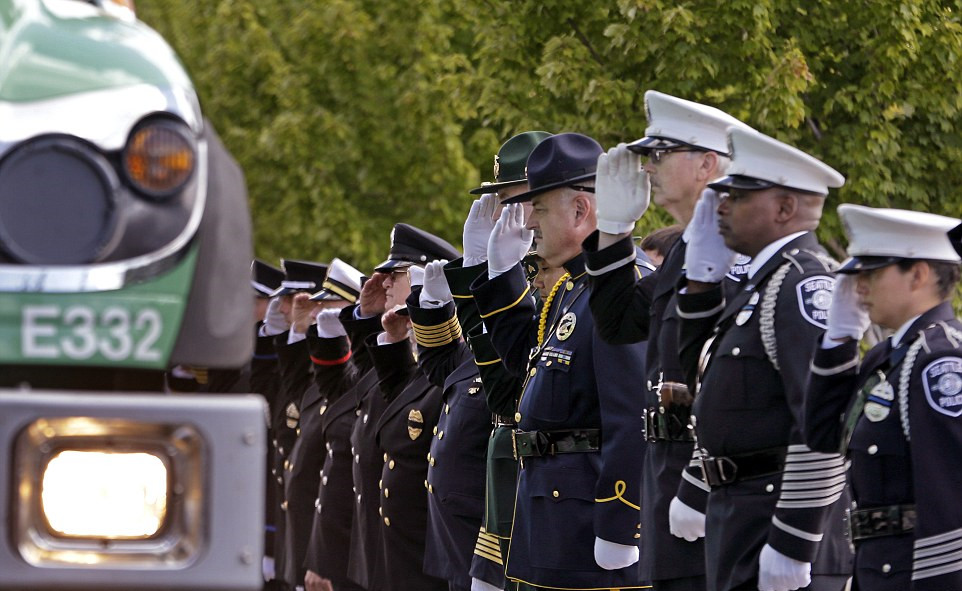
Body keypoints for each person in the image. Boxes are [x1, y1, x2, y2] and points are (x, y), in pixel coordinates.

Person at [671, 126, 852, 591]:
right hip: (743, 517)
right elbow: (704, 387)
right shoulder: (762, 284)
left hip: (781, 524)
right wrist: (701, 282)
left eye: (738, 195)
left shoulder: (802, 286)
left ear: (786, 208)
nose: (721, 206)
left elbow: (826, 419)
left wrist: (795, 537)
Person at [583, 91, 749, 591]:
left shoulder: (739, 249)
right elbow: (619, 324)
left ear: (707, 164)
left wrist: (698, 483)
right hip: (667, 474)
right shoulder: (687, 248)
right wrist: (613, 232)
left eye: (660, 155)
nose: (648, 168)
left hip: (715, 483)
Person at [471, 133, 649, 590]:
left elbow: (631, 416)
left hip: (589, 535)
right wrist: (498, 276)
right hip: (553, 528)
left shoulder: (619, 290)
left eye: (540, 208)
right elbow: (526, 368)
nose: (529, 221)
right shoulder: (573, 290)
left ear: (580, 211)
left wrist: (619, 522)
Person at [804, 205, 962, 590]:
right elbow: (824, 435)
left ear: (919, 275)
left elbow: (950, 502)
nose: (859, 287)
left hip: (915, 574)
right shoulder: (889, 355)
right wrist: (838, 340)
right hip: (879, 569)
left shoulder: (940, 361)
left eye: (872, 273)